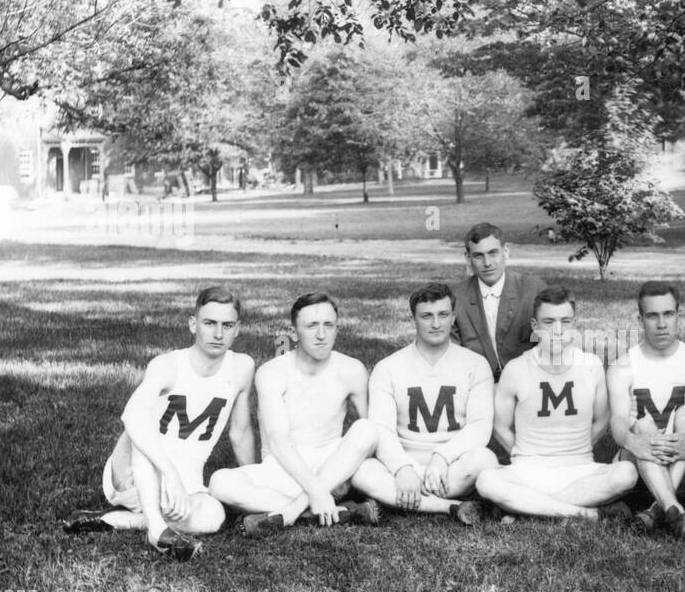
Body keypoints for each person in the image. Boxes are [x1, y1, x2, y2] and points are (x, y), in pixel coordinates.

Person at [62, 286, 256, 561]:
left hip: (185, 481)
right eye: (209, 323)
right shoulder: (168, 364)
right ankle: (155, 528)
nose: (218, 333)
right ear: (193, 324)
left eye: (227, 325)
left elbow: (241, 432)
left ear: (238, 329)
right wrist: (169, 473)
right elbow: (131, 416)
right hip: (133, 470)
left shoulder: (242, 367)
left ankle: (121, 520)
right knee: (143, 420)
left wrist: (252, 484)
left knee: (214, 516)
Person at [207, 292, 383, 535]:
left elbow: (371, 441)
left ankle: (292, 512)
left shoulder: (352, 369)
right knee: (219, 482)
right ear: (295, 330)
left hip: (332, 469)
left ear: (337, 328)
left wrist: (322, 486)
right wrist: (317, 492)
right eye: (311, 326)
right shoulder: (272, 372)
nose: (321, 335)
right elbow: (278, 440)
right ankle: (334, 511)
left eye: (328, 325)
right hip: (284, 466)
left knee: (368, 429)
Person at [475, 287, 637, 521]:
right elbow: (500, 425)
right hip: (528, 469)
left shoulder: (590, 366)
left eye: (565, 321)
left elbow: (603, 418)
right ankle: (585, 513)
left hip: (579, 467)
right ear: (535, 326)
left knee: (627, 473)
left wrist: (578, 448)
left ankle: (528, 506)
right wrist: (524, 455)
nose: (558, 330)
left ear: (574, 324)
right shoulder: (517, 369)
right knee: (486, 481)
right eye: (548, 322)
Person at [351, 283, 498, 524]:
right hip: (405, 462)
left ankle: (397, 500)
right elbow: (382, 429)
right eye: (427, 316)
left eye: (443, 315)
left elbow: (480, 426)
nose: (436, 324)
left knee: (486, 460)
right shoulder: (388, 367)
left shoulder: (475, 364)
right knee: (361, 471)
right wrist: (402, 469)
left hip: (452, 466)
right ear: (414, 319)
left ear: (454, 318)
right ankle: (448, 506)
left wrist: (442, 458)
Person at [606, 281, 685, 539]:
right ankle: (672, 508)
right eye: (653, 315)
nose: (662, 323)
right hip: (640, 468)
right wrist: (636, 442)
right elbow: (618, 422)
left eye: (668, 314)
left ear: (679, 316)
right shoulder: (623, 367)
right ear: (640, 319)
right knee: (641, 425)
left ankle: (659, 509)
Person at [451, 222, 547, 382]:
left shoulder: (534, 289)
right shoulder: (456, 296)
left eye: (493, 253)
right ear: (468, 258)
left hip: (527, 381)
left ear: (506, 252)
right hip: (477, 384)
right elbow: (453, 353)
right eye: (478, 256)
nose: (487, 263)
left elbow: (545, 343)